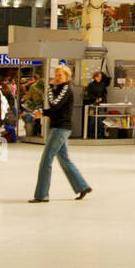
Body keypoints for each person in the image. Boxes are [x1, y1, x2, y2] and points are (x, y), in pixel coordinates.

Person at [29, 65, 92, 202]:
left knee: (46, 160)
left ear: (66, 77)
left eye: (60, 75)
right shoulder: (59, 89)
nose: (57, 77)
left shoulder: (66, 89)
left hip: (61, 128)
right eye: (56, 75)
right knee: (64, 159)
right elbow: (54, 105)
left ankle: (41, 194)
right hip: (58, 127)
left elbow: (55, 105)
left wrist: (49, 91)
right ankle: (82, 186)